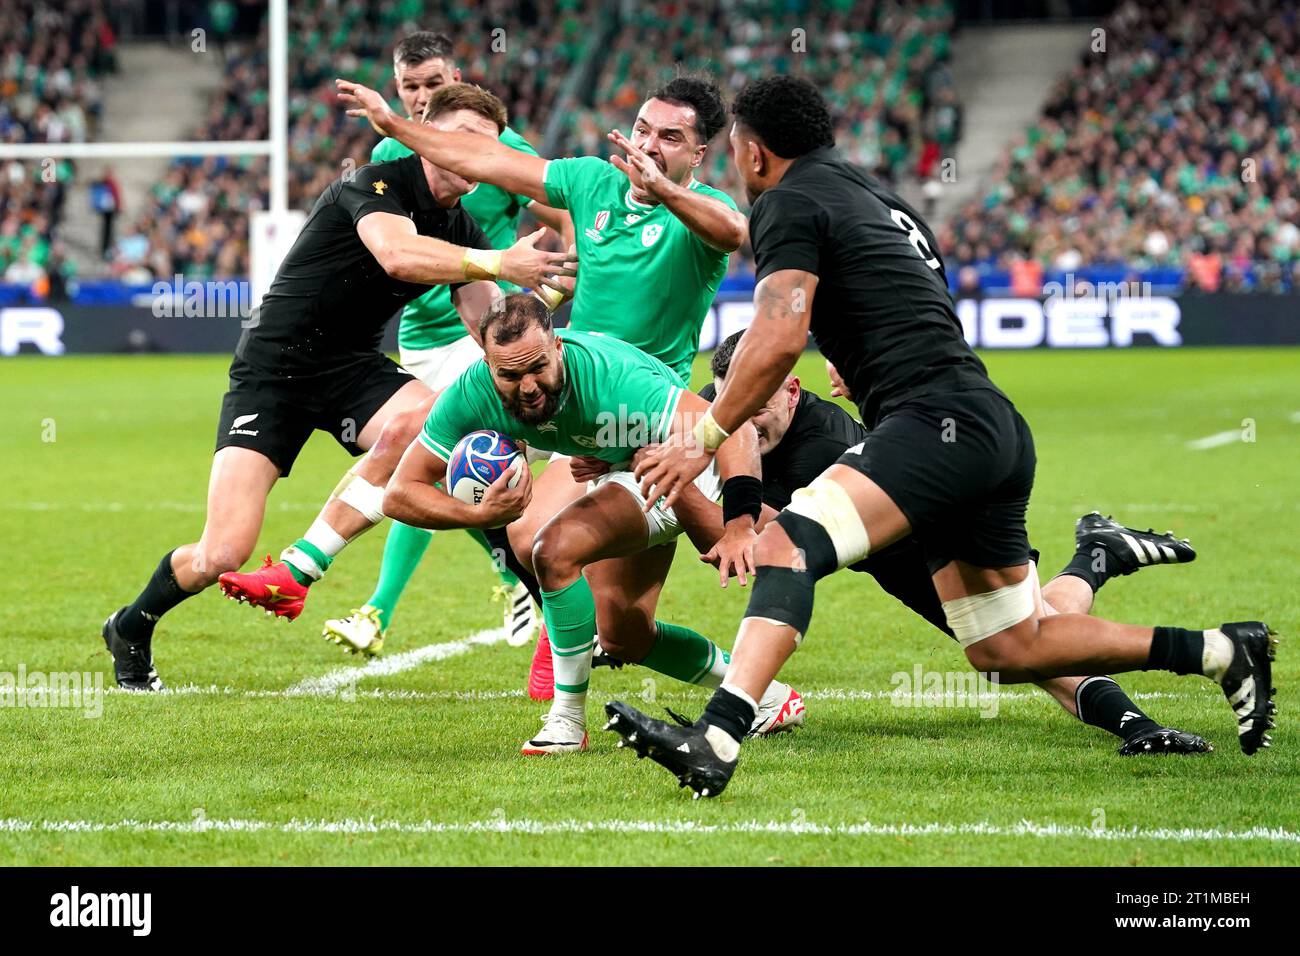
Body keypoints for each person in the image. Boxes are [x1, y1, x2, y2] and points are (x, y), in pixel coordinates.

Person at [606, 76, 1276, 797]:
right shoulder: (882, 200)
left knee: (784, 547)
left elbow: (774, 337)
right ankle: (1218, 650)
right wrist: (862, 361)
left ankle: (716, 738)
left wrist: (702, 435)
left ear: (754, 152)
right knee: (1007, 646)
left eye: (736, 152)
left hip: (934, 425)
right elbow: (905, 298)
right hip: (985, 424)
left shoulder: (786, 202)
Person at [101, 84, 575, 690]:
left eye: (487, 148)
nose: (477, 158)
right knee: (221, 554)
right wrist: (500, 264)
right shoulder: (375, 183)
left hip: (353, 368)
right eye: (462, 141)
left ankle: (540, 601)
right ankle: (131, 626)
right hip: (273, 370)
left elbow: (495, 334)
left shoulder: (461, 226)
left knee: (439, 428)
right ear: (426, 135)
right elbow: (397, 255)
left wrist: (555, 293)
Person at [332, 69, 747, 692]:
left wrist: (665, 190)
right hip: (578, 411)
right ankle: (577, 659)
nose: (649, 145)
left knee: (717, 561)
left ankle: (757, 649)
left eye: (669, 137)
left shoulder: (704, 212)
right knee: (535, 542)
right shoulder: (588, 181)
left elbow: (734, 233)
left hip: (652, 424)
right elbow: (487, 158)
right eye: (642, 130)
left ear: (698, 153)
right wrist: (397, 126)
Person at [647, 331, 1207, 756]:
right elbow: (695, 434)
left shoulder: (823, 443)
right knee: (1030, 637)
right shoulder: (727, 403)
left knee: (1031, 648)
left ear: (792, 390)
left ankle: (1140, 722)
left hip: (935, 542)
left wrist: (682, 483)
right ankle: (1101, 554)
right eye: (732, 406)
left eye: (757, 407)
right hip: (891, 555)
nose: (743, 423)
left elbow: (770, 543)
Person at [384, 295, 804, 754]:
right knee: (625, 635)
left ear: (558, 346)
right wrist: (477, 516)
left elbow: (735, 428)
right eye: (509, 374)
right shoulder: (472, 392)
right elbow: (399, 492)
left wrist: (740, 524)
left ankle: (566, 721)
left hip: (672, 461)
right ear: (487, 364)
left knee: (553, 549)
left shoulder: (615, 381)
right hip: (617, 465)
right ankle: (766, 695)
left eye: (538, 367)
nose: (527, 386)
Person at [322, 33, 575, 656]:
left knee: (428, 455)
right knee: (440, 459)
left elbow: (564, 218)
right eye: (409, 88)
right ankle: (517, 575)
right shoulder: (390, 150)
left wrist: (542, 298)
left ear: (456, 80)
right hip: (419, 332)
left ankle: (377, 608)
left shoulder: (504, 148)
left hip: (481, 327)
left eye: (432, 84)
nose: (419, 99)